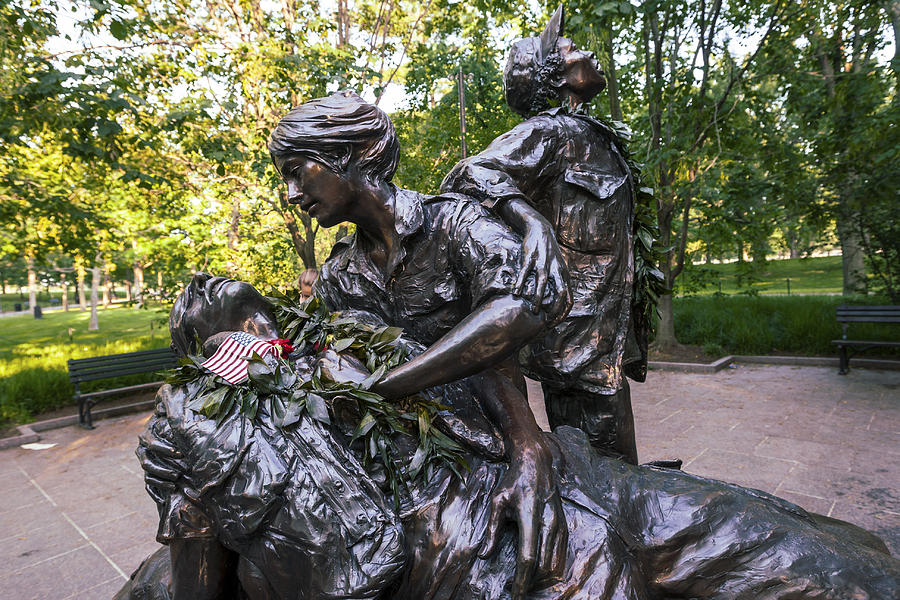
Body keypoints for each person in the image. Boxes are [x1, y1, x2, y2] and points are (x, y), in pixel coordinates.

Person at [120, 273, 900, 600]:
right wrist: (195, 501)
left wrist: (528, 446)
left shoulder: (345, 337)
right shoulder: (208, 435)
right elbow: (191, 575)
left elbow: (476, 366)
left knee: (810, 556)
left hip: (564, 485)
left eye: (256, 311)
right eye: (224, 323)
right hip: (493, 562)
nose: (257, 332)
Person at [442, 5, 640, 463]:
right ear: (553, 75)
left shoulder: (593, 136)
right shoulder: (549, 132)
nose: (586, 53)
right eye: (572, 49)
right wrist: (530, 221)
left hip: (603, 340)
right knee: (607, 476)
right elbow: (470, 173)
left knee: (613, 472)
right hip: (577, 345)